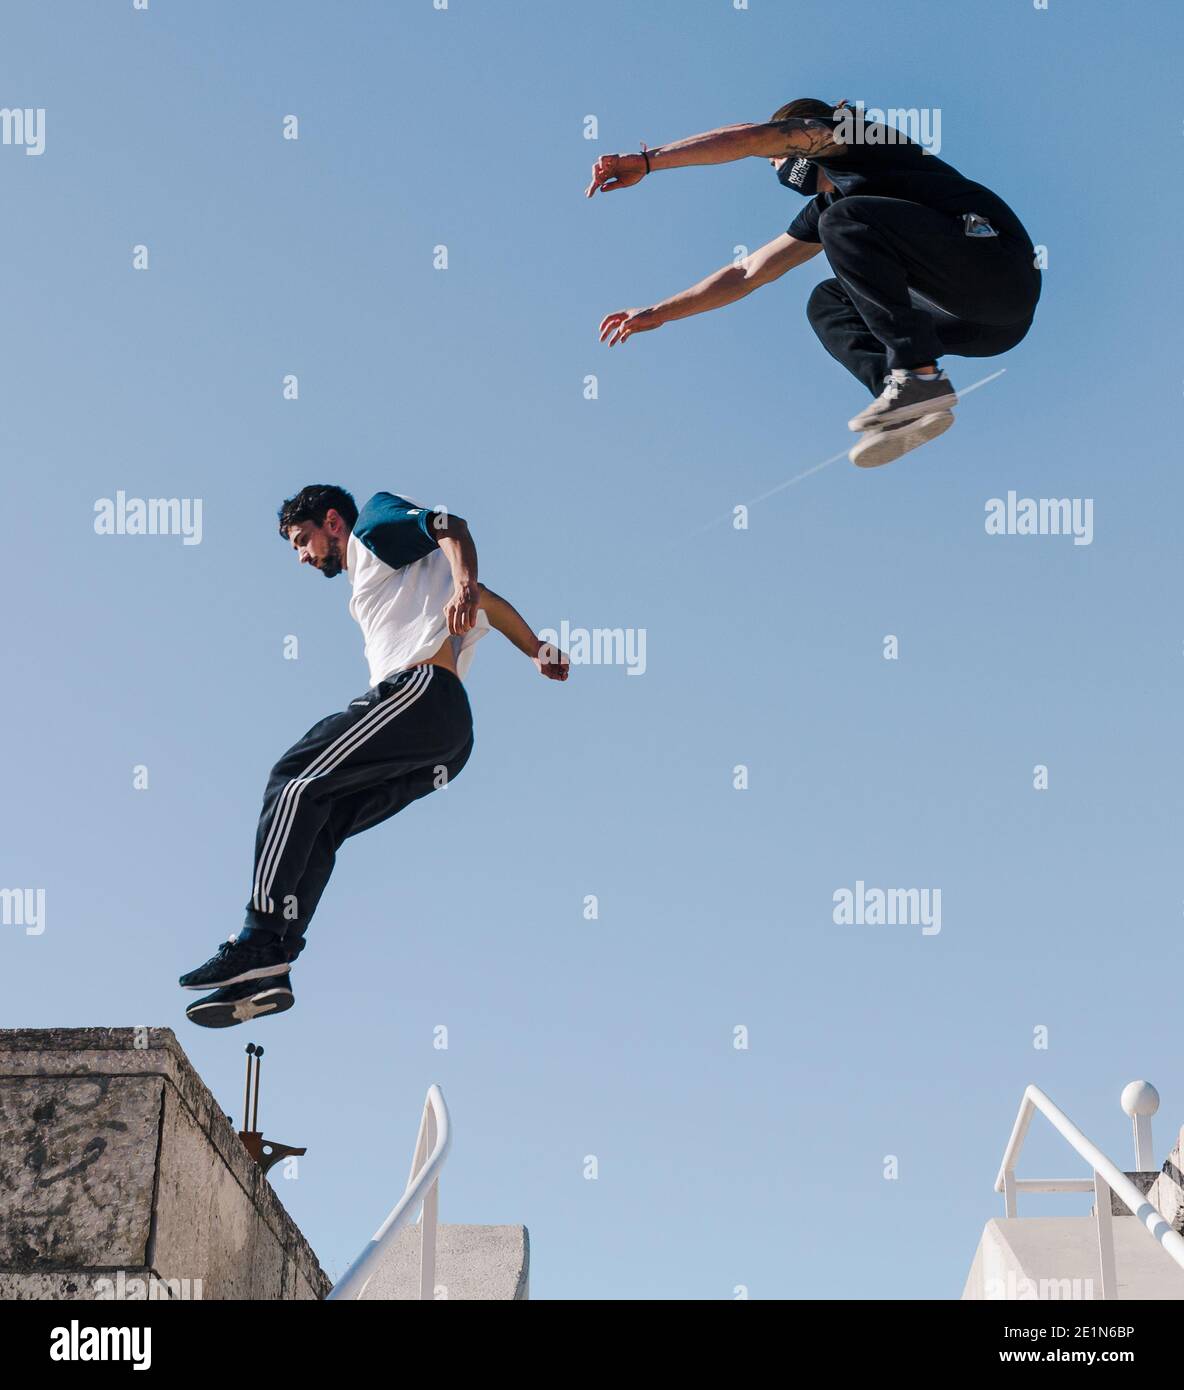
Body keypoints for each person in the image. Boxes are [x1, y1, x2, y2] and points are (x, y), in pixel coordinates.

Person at [178, 485, 568, 1028]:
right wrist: (538, 650)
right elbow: (492, 608)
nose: (303, 557)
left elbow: (450, 523)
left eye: (302, 540)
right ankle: (274, 964)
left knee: (292, 777)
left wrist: (463, 583)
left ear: (332, 522)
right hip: (448, 741)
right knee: (324, 817)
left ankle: (256, 937)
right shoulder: (400, 576)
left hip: (421, 692)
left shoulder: (372, 529)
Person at [587, 98, 1041, 467]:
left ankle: (918, 374)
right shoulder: (830, 208)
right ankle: (906, 401)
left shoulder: (855, 136)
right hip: (987, 328)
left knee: (845, 221)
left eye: (776, 160)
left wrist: (648, 162)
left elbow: (749, 138)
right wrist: (660, 312)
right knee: (827, 300)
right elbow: (746, 274)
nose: (778, 171)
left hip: (997, 268)